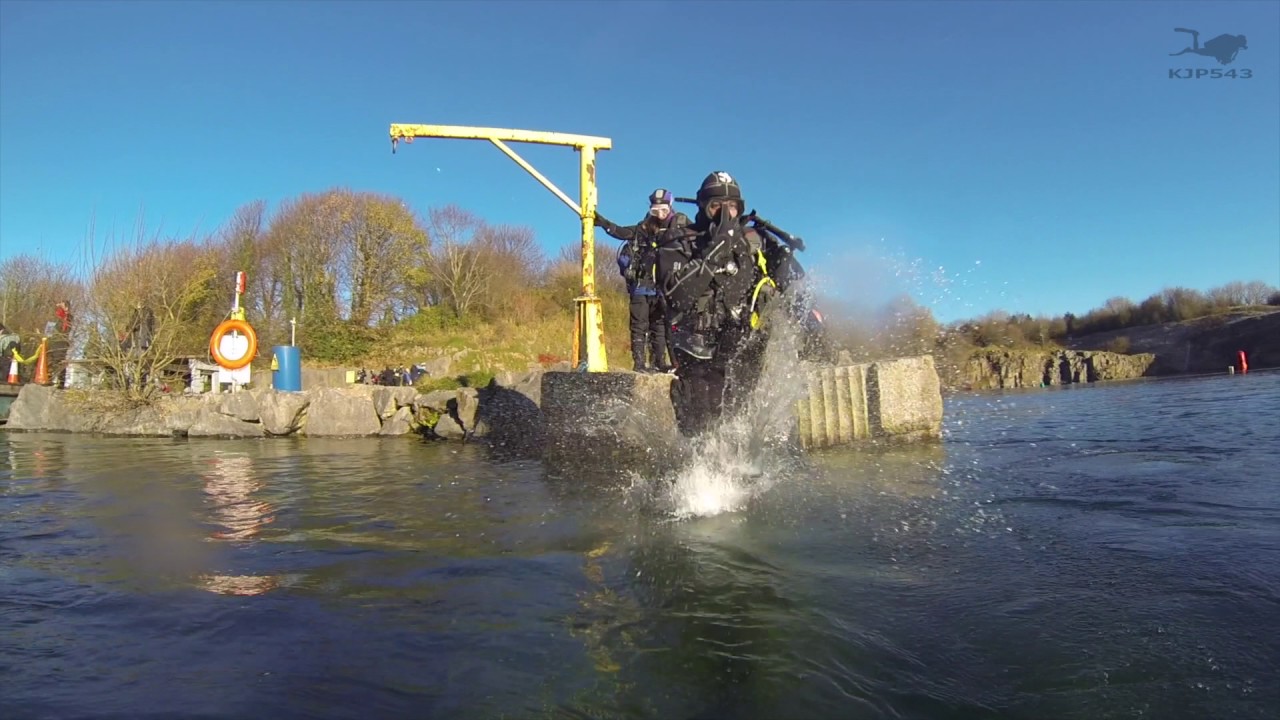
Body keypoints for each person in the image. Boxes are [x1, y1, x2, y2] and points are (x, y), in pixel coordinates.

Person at [655, 171, 789, 436]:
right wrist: (715, 251)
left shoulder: (754, 240)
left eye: (732, 207)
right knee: (701, 425)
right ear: (703, 207)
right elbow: (678, 296)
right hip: (697, 349)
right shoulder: (679, 242)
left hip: (742, 345)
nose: (725, 214)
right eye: (716, 206)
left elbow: (792, 285)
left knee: (740, 421)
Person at [595, 189, 691, 373]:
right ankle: (639, 363)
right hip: (642, 283)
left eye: (663, 210)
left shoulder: (681, 224)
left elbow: (698, 238)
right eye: (655, 211)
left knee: (661, 325)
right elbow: (623, 232)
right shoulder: (644, 227)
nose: (660, 215)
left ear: (670, 207)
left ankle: (659, 362)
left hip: (665, 285)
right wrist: (603, 223)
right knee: (639, 325)